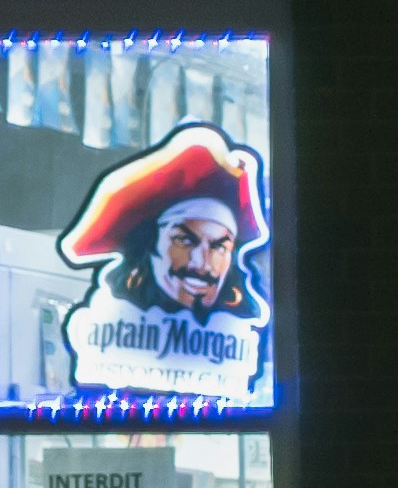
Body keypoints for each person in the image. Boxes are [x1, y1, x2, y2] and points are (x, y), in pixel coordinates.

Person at [54, 124, 273, 401]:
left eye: (219, 246)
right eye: (184, 241)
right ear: (149, 247)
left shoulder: (236, 334)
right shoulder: (112, 324)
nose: (200, 263)